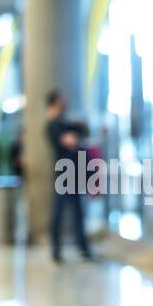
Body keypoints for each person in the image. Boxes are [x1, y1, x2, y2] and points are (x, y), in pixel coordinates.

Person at [44, 89, 95, 263]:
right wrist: (73, 136)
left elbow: (82, 132)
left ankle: (84, 249)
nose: (65, 102)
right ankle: (56, 250)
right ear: (55, 102)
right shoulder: (52, 125)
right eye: (61, 100)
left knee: (78, 213)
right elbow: (71, 141)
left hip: (74, 174)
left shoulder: (64, 123)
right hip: (63, 175)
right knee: (59, 214)